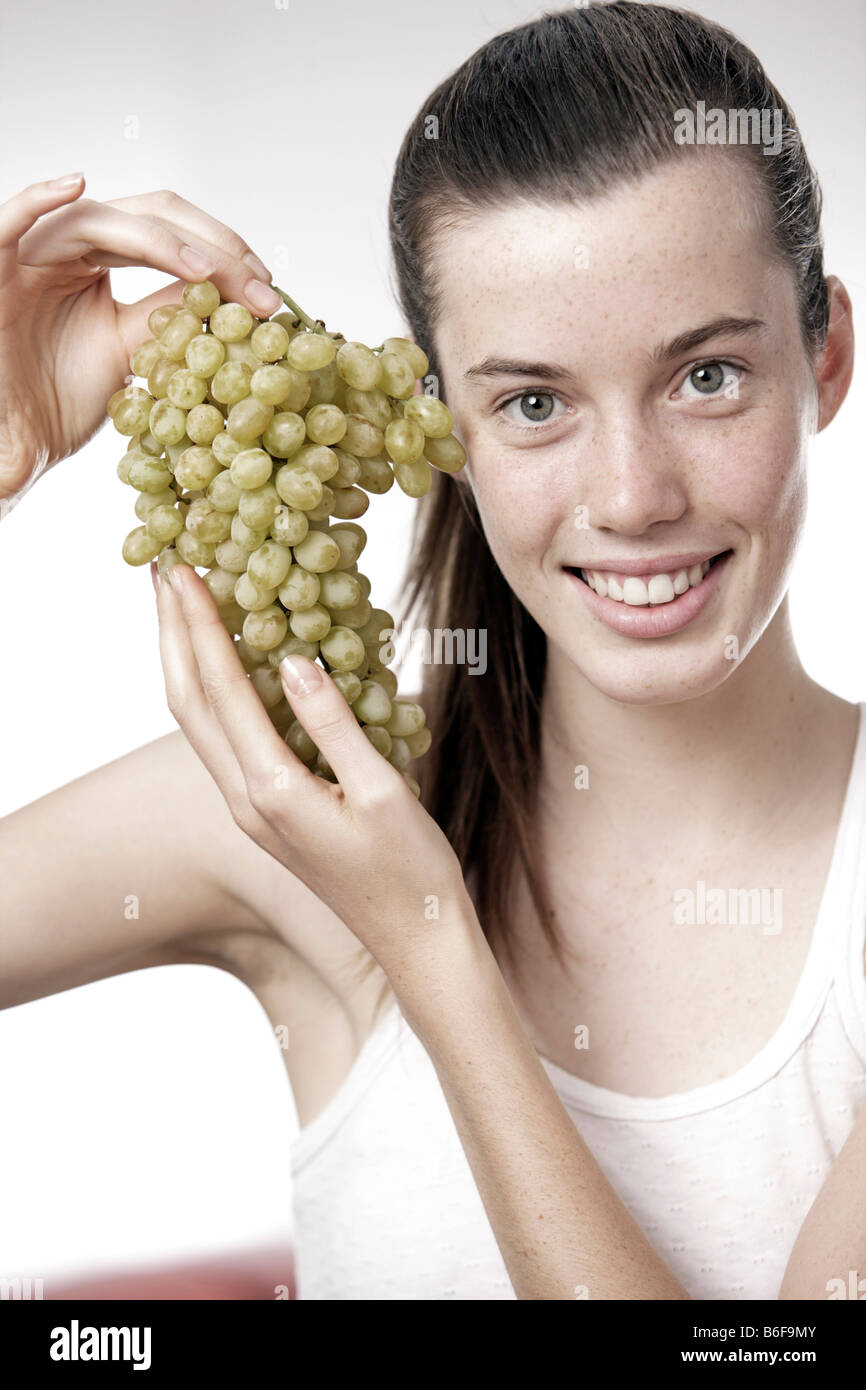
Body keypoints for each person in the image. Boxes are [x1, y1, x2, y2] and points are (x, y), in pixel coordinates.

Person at [1, 2, 863, 1301]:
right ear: (440, 419)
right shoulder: (298, 803)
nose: (629, 495)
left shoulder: (340, 843)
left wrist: (428, 946)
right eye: (531, 401)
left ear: (824, 357)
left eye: (703, 378)